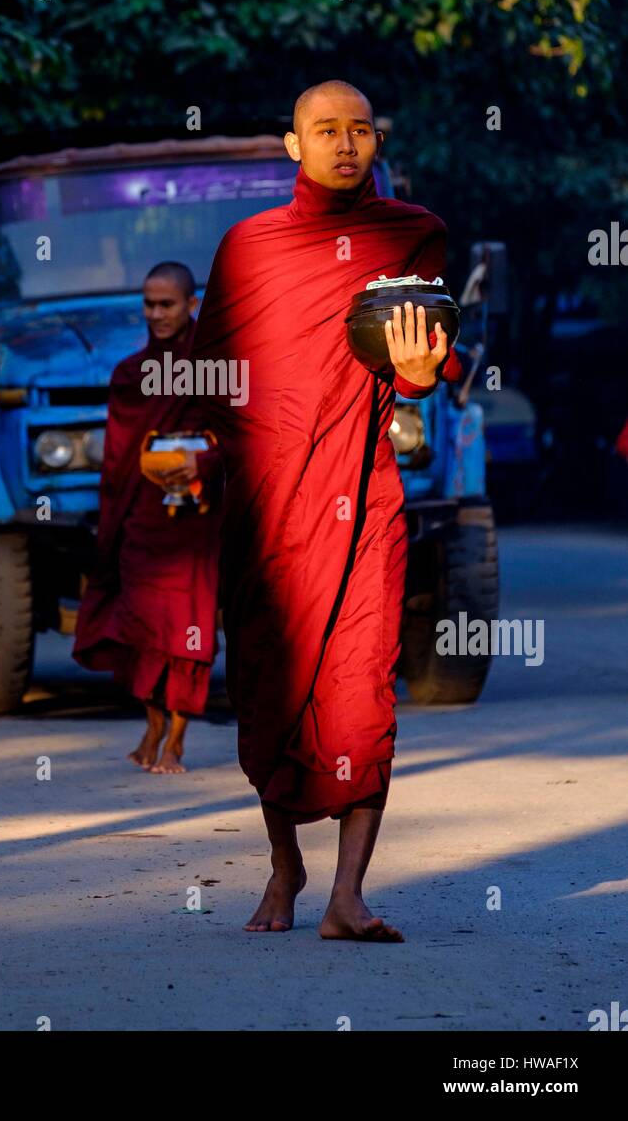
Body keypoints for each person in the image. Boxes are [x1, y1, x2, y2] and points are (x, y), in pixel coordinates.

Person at [192, 80, 462, 939]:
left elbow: (429, 356)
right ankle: (284, 867)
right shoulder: (249, 247)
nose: (345, 145)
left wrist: (419, 376)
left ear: (377, 142)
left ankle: (348, 895)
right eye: (326, 131)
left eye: (360, 131)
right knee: (270, 685)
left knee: (360, 689)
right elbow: (210, 374)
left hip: (361, 494)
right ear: (292, 145)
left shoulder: (412, 234)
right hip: (269, 505)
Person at [73, 262, 222, 774]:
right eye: (149, 304)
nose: (157, 314)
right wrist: (108, 528)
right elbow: (116, 462)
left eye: (167, 304)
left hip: (195, 522)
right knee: (141, 626)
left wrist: (204, 460)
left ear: (192, 305)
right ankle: (154, 723)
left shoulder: (215, 367)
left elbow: (247, 435)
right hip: (142, 519)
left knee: (188, 629)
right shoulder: (130, 374)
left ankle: (176, 740)